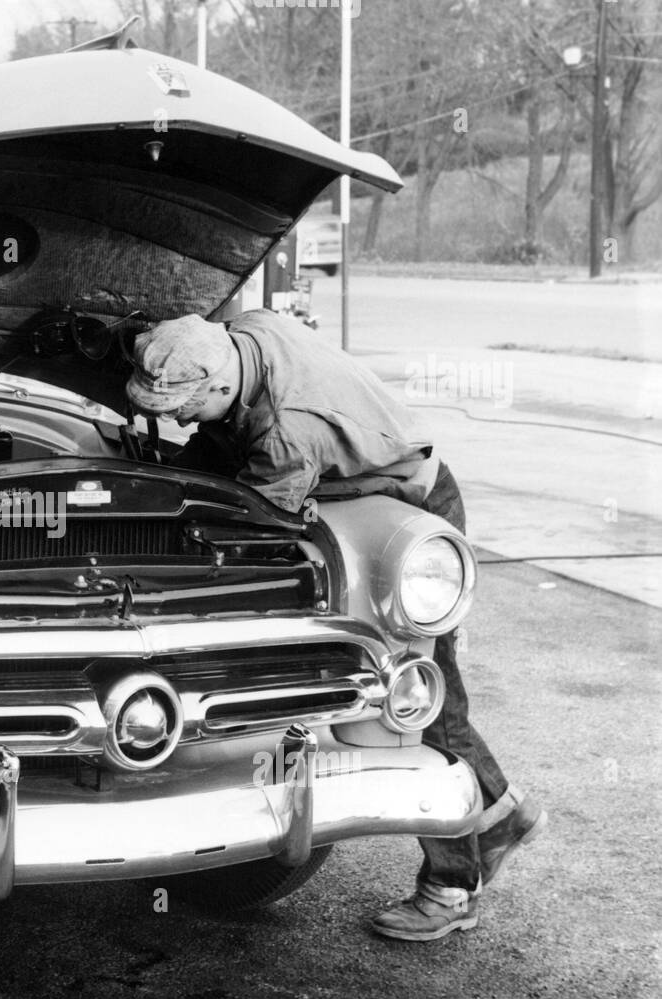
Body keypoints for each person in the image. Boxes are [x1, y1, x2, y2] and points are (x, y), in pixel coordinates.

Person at [126, 310, 547, 941]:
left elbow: (257, 526)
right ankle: (503, 815)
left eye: (186, 407)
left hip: (408, 502)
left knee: (410, 699)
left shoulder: (288, 435)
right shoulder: (246, 331)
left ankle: (452, 890)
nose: (179, 419)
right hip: (381, 472)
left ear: (219, 386)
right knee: (435, 697)